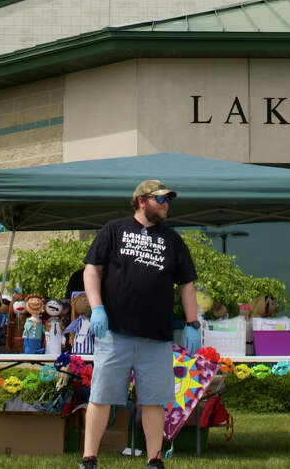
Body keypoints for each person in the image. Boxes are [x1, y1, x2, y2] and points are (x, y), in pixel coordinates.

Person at [79, 179, 199, 469]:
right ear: (142, 201)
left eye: (169, 200)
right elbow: (92, 270)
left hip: (156, 335)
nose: (166, 204)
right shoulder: (114, 229)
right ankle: (89, 458)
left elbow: (186, 284)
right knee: (101, 395)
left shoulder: (173, 239)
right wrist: (97, 308)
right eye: (161, 199)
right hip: (114, 331)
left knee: (154, 400)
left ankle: (154, 459)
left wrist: (193, 323)